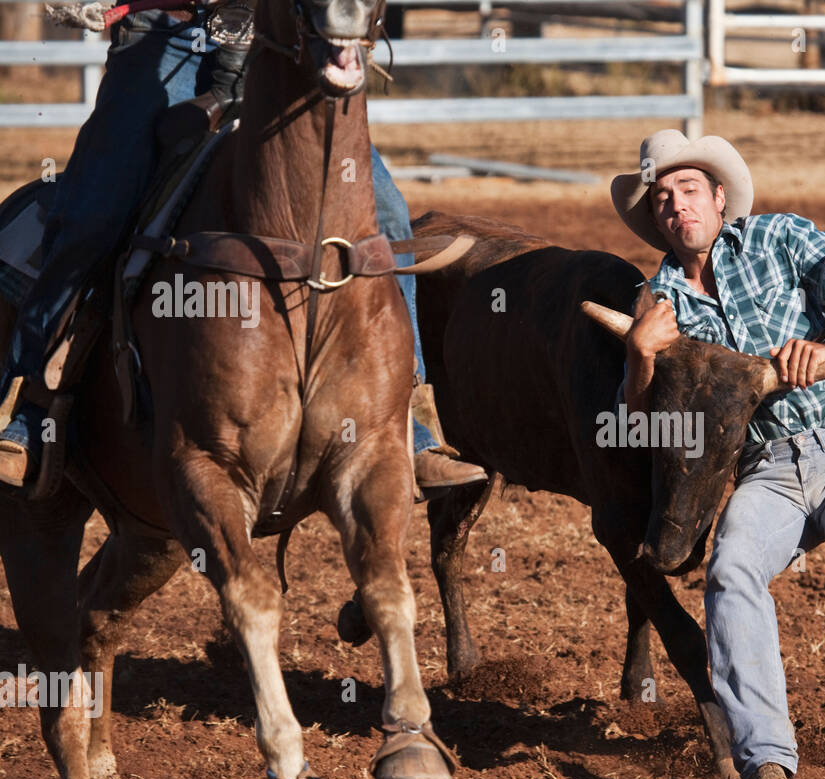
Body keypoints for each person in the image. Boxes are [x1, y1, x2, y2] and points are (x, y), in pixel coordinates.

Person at [0, 1, 485, 491]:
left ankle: (409, 421)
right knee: (94, 214)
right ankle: (31, 405)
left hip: (280, 44)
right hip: (166, 41)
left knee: (387, 209)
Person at [611, 130, 825, 779]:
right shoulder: (659, 304)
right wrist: (638, 355)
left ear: (719, 198)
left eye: (689, 190)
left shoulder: (779, 238)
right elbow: (635, 422)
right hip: (760, 469)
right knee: (729, 572)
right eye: (662, 199)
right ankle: (766, 763)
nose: (676, 206)